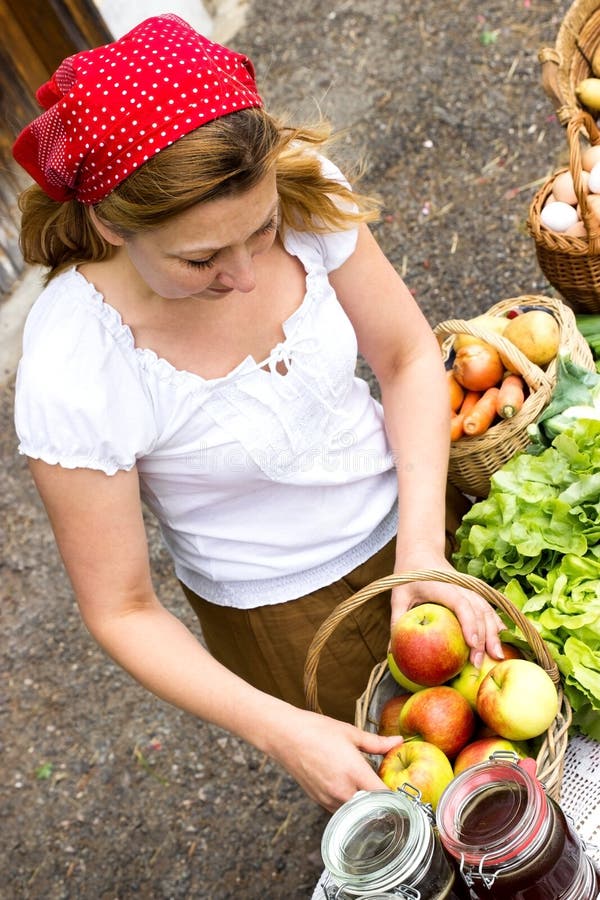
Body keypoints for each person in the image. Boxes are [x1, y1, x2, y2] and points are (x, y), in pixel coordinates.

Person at [12, 14, 504, 814]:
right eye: (200, 258)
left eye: (262, 230)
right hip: (287, 620)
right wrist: (283, 730)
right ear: (109, 221)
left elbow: (409, 360)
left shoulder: (306, 184)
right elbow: (122, 609)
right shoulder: (76, 363)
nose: (242, 274)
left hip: (423, 512)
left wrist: (424, 550)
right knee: (426, 823)